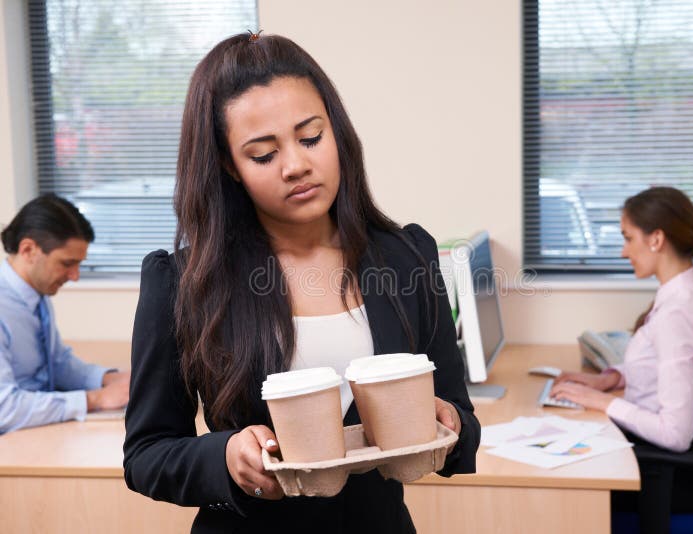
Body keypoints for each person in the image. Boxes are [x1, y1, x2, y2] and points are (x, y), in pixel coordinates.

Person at [122, 33, 480, 533]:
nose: (296, 165)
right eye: (264, 155)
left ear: (336, 131)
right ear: (230, 166)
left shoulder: (406, 257)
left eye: (311, 137)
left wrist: (450, 424)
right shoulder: (183, 282)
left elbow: (458, 411)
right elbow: (146, 454)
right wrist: (225, 456)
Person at [552, 186, 693, 532]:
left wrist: (602, 402)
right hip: (688, 459)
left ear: (656, 239)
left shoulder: (677, 313)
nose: (624, 252)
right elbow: (664, 361)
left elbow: (676, 434)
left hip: (681, 473)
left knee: (561, 485)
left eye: (628, 238)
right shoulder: (683, 291)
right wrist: (612, 378)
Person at [0, 194, 130, 434]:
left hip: (37, 432)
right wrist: (96, 399)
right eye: (67, 263)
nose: (75, 276)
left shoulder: (37, 295)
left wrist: (109, 379)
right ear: (28, 250)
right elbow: (4, 408)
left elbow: (56, 364)